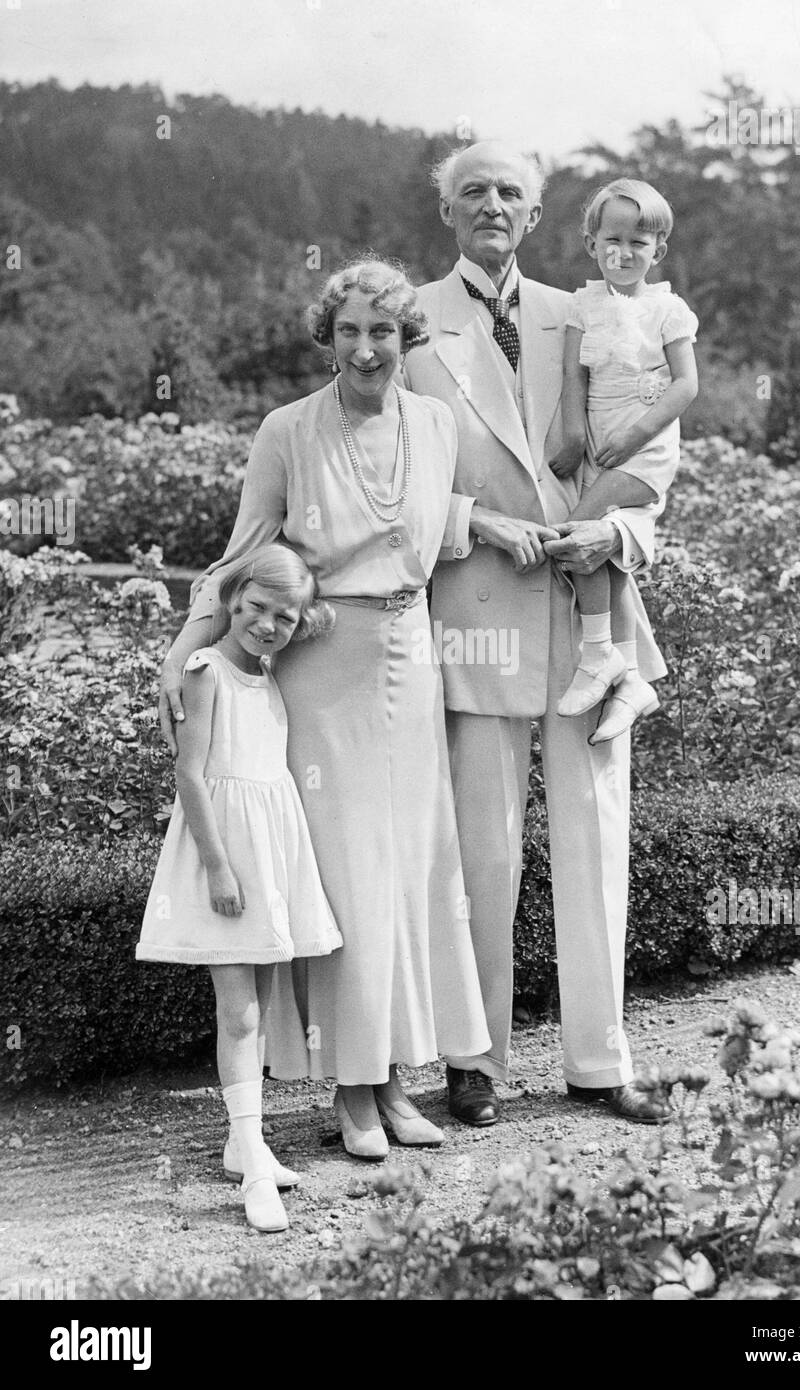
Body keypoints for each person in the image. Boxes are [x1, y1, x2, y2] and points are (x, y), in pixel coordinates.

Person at [159, 257, 492, 1163]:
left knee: (412, 873)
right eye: (347, 331)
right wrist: (183, 651)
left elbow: (433, 527)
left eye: (381, 331)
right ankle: (350, 1093)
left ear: (405, 337)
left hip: (413, 660)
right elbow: (243, 555)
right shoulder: (286, 430)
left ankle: (394, 1081)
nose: (365, 348)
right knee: (345, 876)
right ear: (327, 336)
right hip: (324, 667)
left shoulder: (435, 422)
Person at [405, 141, 671, 1126]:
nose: (491, 203)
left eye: (509, 191)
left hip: (588, 609)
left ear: (536, 215)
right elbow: (386, 483)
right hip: (476, 615)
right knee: (483, 847)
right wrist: (475, 522)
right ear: (446, 213)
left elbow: (653, 451)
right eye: (471, 190)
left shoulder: (590, 314)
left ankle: (601, 1063)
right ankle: (473, 1064)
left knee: (598, 836)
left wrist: (618, 529)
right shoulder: (410, 323)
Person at [139, 544, 343, 1233]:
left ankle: (241, 1141)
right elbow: (191, 778)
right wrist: (221, 868)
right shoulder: (207, 672)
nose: (267, 625)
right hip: (223, 856)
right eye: (256, 608)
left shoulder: (267, 674)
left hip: (268, 854)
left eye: (285, 617)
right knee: (239, 1012)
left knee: (257, 1005)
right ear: (231, 601)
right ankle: (255, 1164)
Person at [550, 178, 699, 737]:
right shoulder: (581, 305)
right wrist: (570, 437)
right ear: (592, 245)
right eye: (612, 239)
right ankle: (633, 678)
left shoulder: (667, 309)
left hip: (645, 446)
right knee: (606, 547)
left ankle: (598, 653)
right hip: (596, 444)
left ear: (657, 252)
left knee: (580, 531)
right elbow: (572, 374)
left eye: (640, 241)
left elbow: (686, 386)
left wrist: (636, 436)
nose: (625, 251)